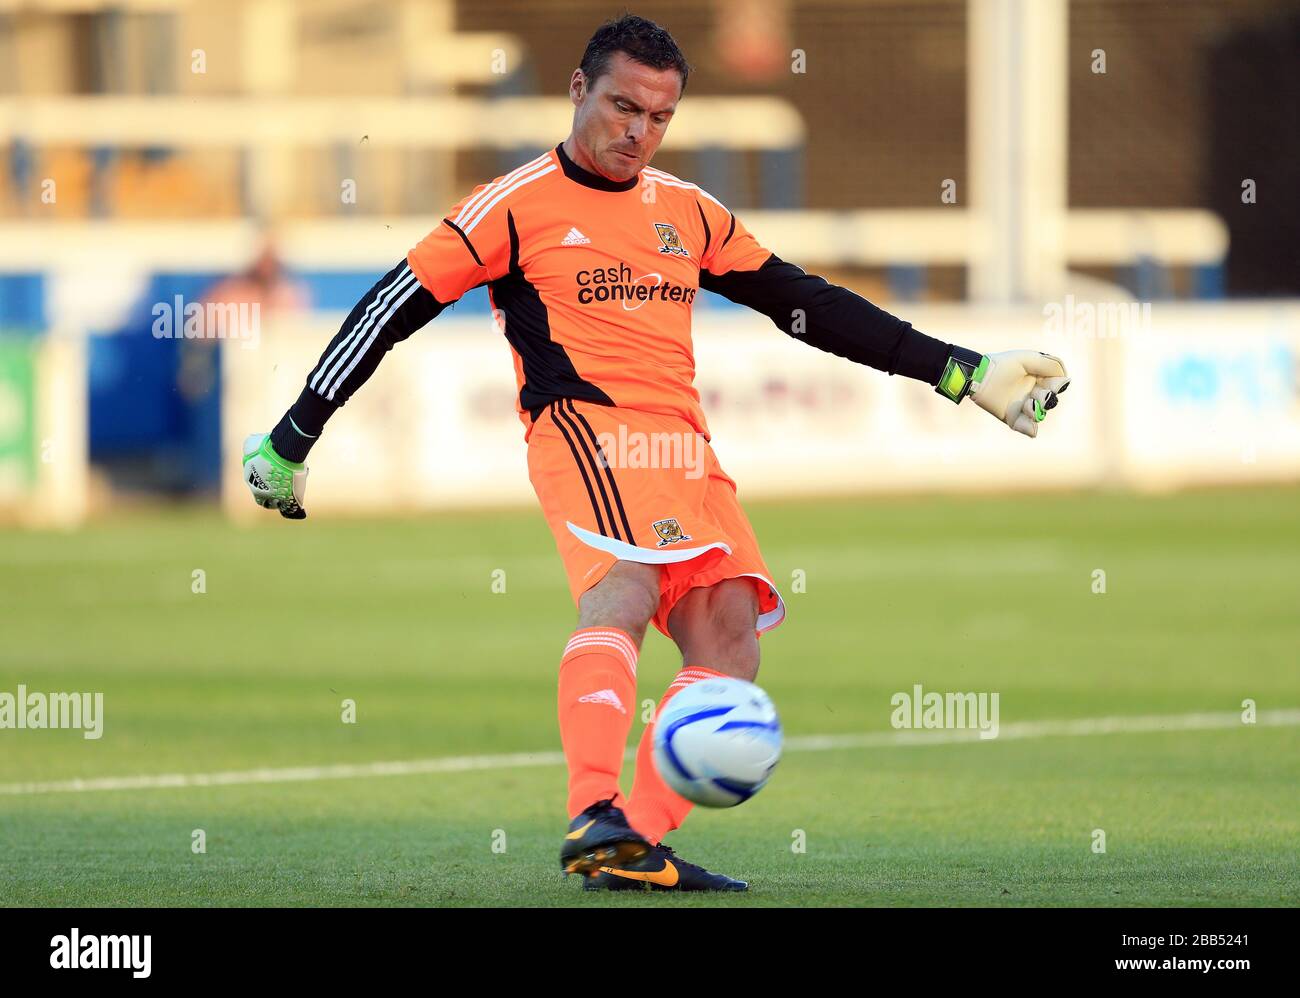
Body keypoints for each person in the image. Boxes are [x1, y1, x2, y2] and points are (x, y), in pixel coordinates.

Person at [241, 14, 1070, 892]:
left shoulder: (686, 211)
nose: (638, 132)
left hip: (687, 449)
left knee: (732, 643)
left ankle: (630, 843)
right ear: (577, 90)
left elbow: (806, 304)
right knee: (626, 589)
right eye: (622, 106)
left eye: (660, 117)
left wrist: (959, 369)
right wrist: (295, 436)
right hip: (586, 432)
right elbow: (390, 307)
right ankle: (595, 807)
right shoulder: (511, 206)